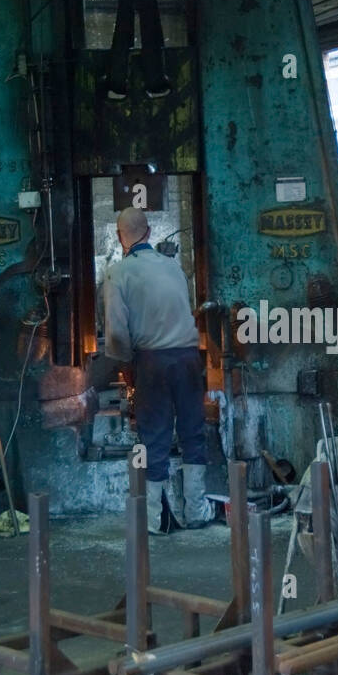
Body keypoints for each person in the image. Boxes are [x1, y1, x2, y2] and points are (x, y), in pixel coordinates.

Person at [102, 207, 212, 533]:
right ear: (148, 233)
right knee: (193, 432)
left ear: (121, 237)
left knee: (155, 438)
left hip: (153, 361)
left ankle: (153, 520)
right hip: (189, 358)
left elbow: (117, 333)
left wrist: (126, 368)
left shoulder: (117, 274)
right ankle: (197, 510)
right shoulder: (174, 268)